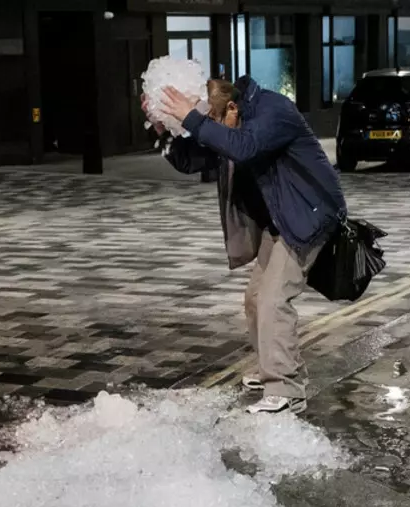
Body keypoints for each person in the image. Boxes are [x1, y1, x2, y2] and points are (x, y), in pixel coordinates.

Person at [144, 77, 346, 414]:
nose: (212, 131)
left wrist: (194, 120)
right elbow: (190, 160)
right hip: (279, 222)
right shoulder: (230, 119)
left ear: (233, 108)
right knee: (255, 300)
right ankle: (283, 366)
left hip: (306, 217)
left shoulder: (273, 111)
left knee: (272, 300)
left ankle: (287, 390)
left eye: (214, 122)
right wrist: (159, 127)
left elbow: (242, 147)